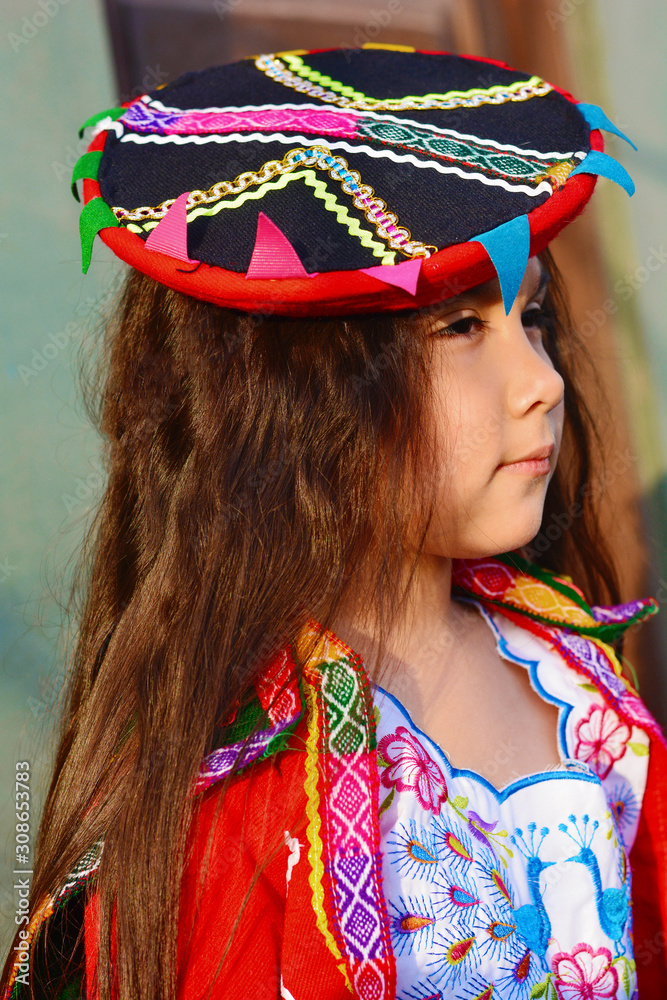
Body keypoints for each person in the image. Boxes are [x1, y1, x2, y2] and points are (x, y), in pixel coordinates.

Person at [2, 44, 666, 1000]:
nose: (543, 383)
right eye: (461, 328)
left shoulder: (576, 678)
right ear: (300, 400)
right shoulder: (224, 798)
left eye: (533, 318)